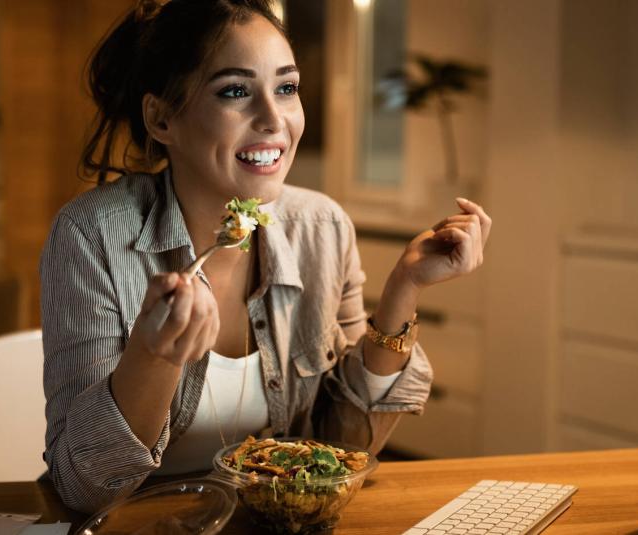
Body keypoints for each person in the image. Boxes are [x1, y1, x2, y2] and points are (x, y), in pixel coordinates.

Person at [38, 0, 492, 513]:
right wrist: (155, 355)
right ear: (161, 118)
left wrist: (404, 290)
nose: (275, 120)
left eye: (287, 87)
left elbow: (343, 451)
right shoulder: (91, 234)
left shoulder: (322, 228)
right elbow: (85, 487)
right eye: (235, 91)